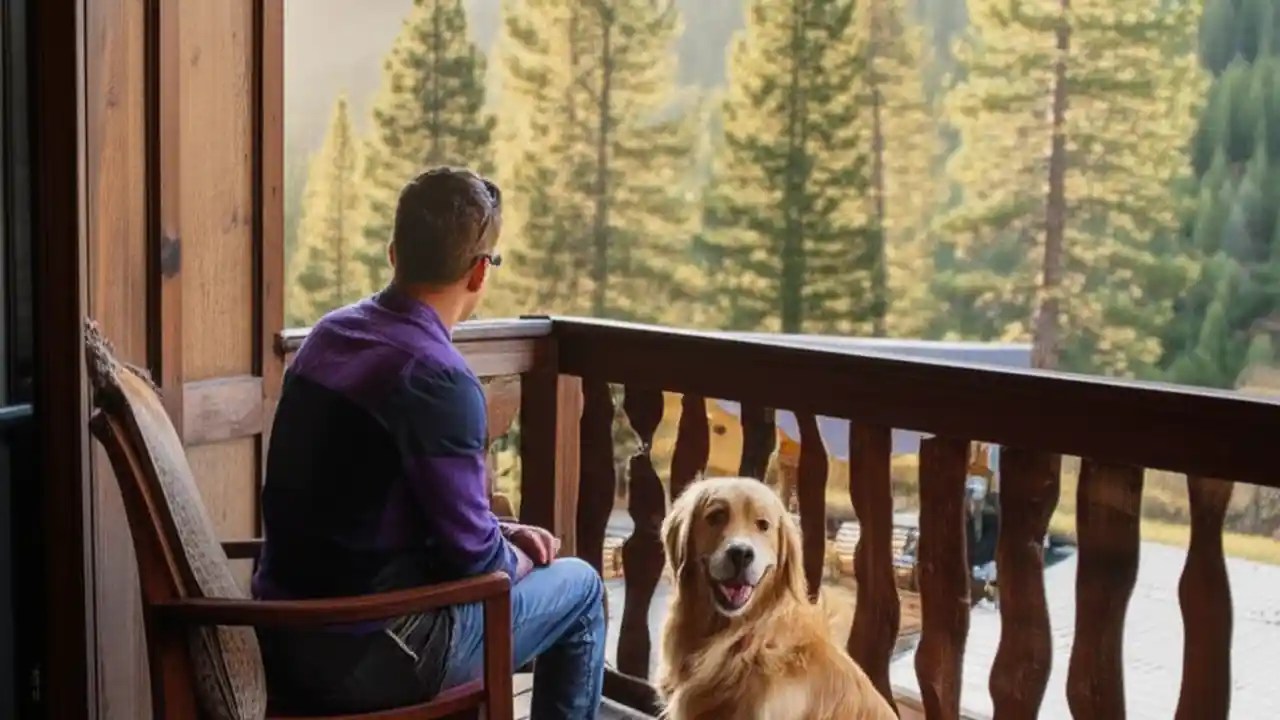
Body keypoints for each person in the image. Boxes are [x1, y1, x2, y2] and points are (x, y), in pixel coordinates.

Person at [252, 167, 605, 718]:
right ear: (480, 272)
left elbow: (370, 506)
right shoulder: (436, 377)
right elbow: (476, 563)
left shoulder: (329, 336)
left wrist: (504, 531)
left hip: (282, 634)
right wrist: (512, 552)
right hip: (367, 655)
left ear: (394, 253)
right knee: (580, 588)